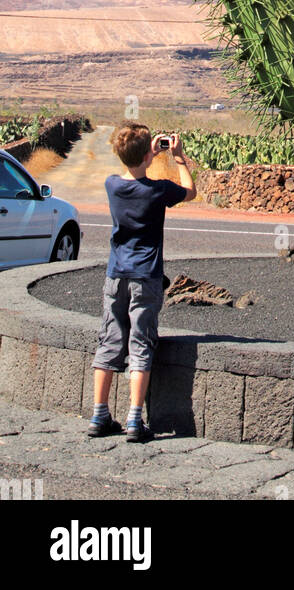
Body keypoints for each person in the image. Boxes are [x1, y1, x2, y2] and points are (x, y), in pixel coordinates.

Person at [88, 123, 195, 442]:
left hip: (115, 275)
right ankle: (135, 419)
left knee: (109, 340)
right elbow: (190, 191)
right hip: (145, 277)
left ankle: (99, 414)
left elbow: (128, 168)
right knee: (141, 343)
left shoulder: (111, 185)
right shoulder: (159, 190)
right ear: (150, 153)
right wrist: (177, 158)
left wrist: (144, 152)